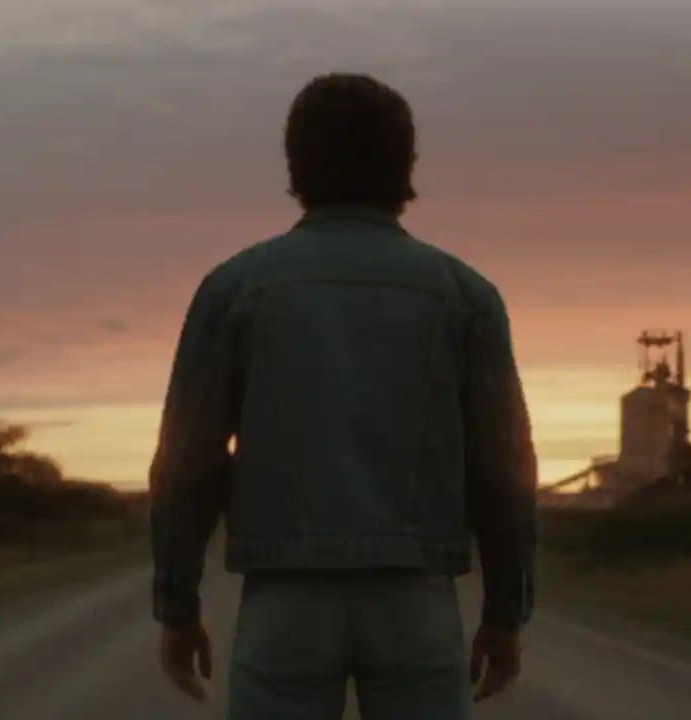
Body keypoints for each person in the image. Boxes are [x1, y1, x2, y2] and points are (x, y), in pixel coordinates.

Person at [148, 72, 538, 719]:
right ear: (406, 164)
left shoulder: (236, 287)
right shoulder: (465, 295)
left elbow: (187, 461)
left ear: (295, 163)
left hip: (284, 601)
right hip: (415, 597)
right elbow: (505, 472)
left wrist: (177, 605)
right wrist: (506, 612)